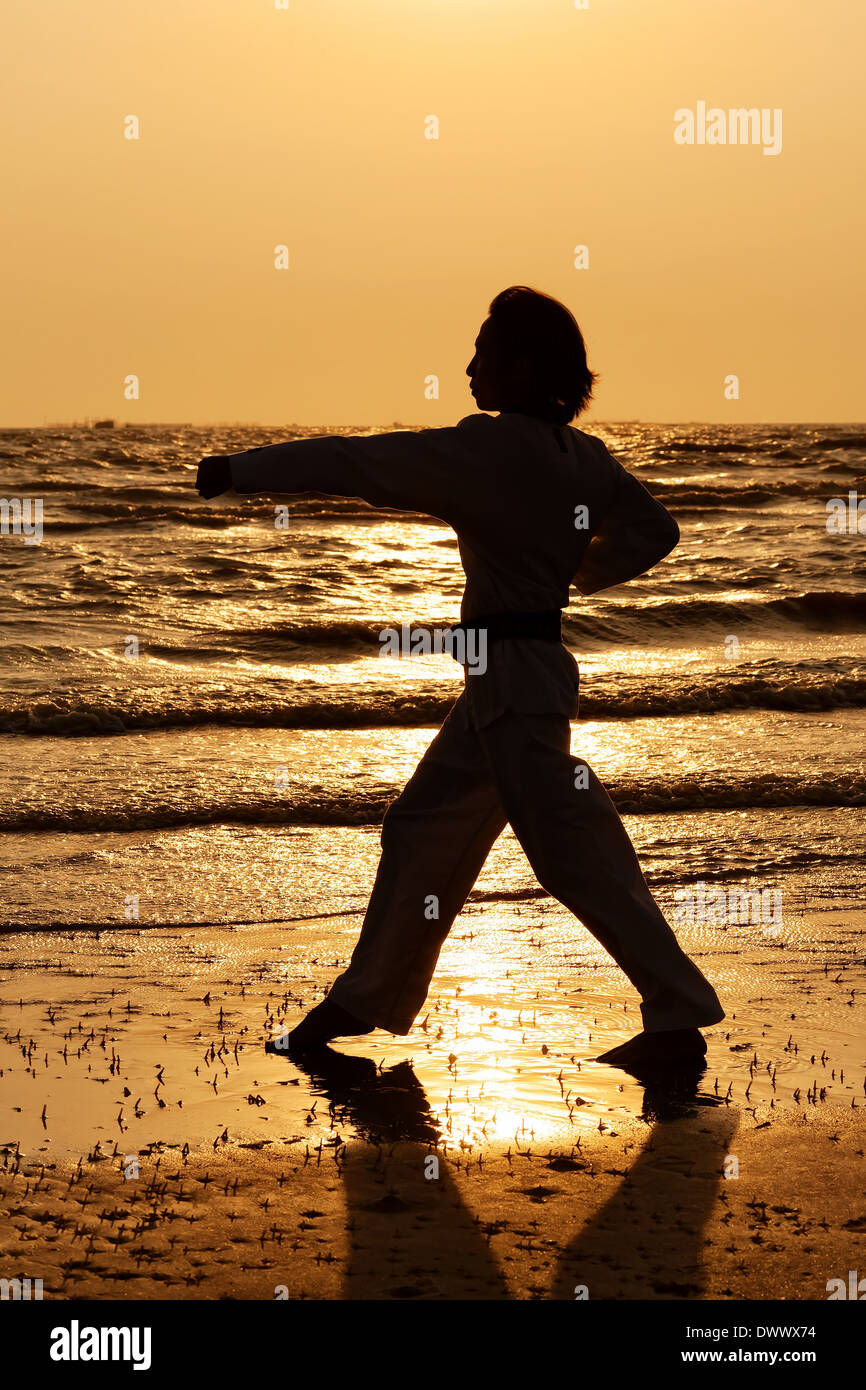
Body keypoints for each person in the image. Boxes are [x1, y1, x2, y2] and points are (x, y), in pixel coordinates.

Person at [196, 286, 724, 1076]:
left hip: (512, 680)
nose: (469, 366)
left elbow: (356, 460)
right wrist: (569, 573)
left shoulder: (489, 449)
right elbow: (658, 530)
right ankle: (363, 1000)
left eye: (482, 351)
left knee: (573, 853)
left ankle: (677, 1012)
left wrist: (239, 471)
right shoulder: (585, 458)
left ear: (518, 367)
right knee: (424, 829)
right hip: (515, 676)